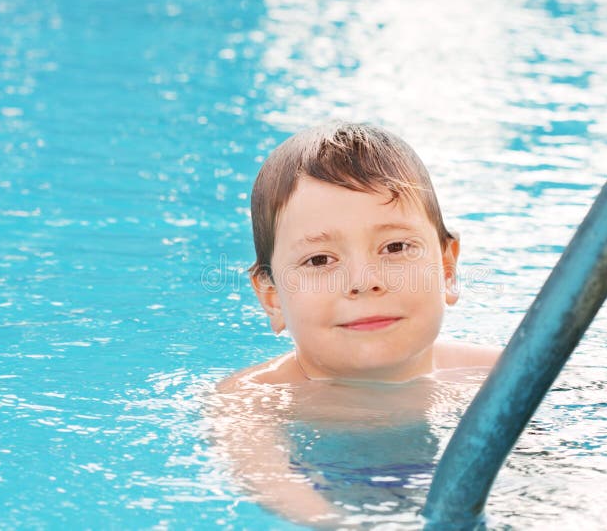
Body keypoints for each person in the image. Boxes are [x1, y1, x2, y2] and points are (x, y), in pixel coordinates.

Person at [210, 122, 500, 526]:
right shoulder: (252, 403)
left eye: (395, 247)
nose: (364, 281)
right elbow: (271, 484)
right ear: (272, 296)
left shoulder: (500, 377)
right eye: (319, 260)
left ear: (447, 269)